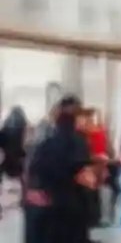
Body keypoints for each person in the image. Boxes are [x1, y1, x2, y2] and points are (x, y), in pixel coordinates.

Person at [23, 95, 95, 243]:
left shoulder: (45, 140)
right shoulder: (79, 142)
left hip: (48, 203)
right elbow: (85, 177)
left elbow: (34, 169)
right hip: (72, 205)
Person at [0, 106, 29, 217]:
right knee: (23, 179)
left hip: (7, 157)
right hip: (18, 157)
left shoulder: (6, 127)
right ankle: (24, 200)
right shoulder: (22, 126)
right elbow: (24, 144)